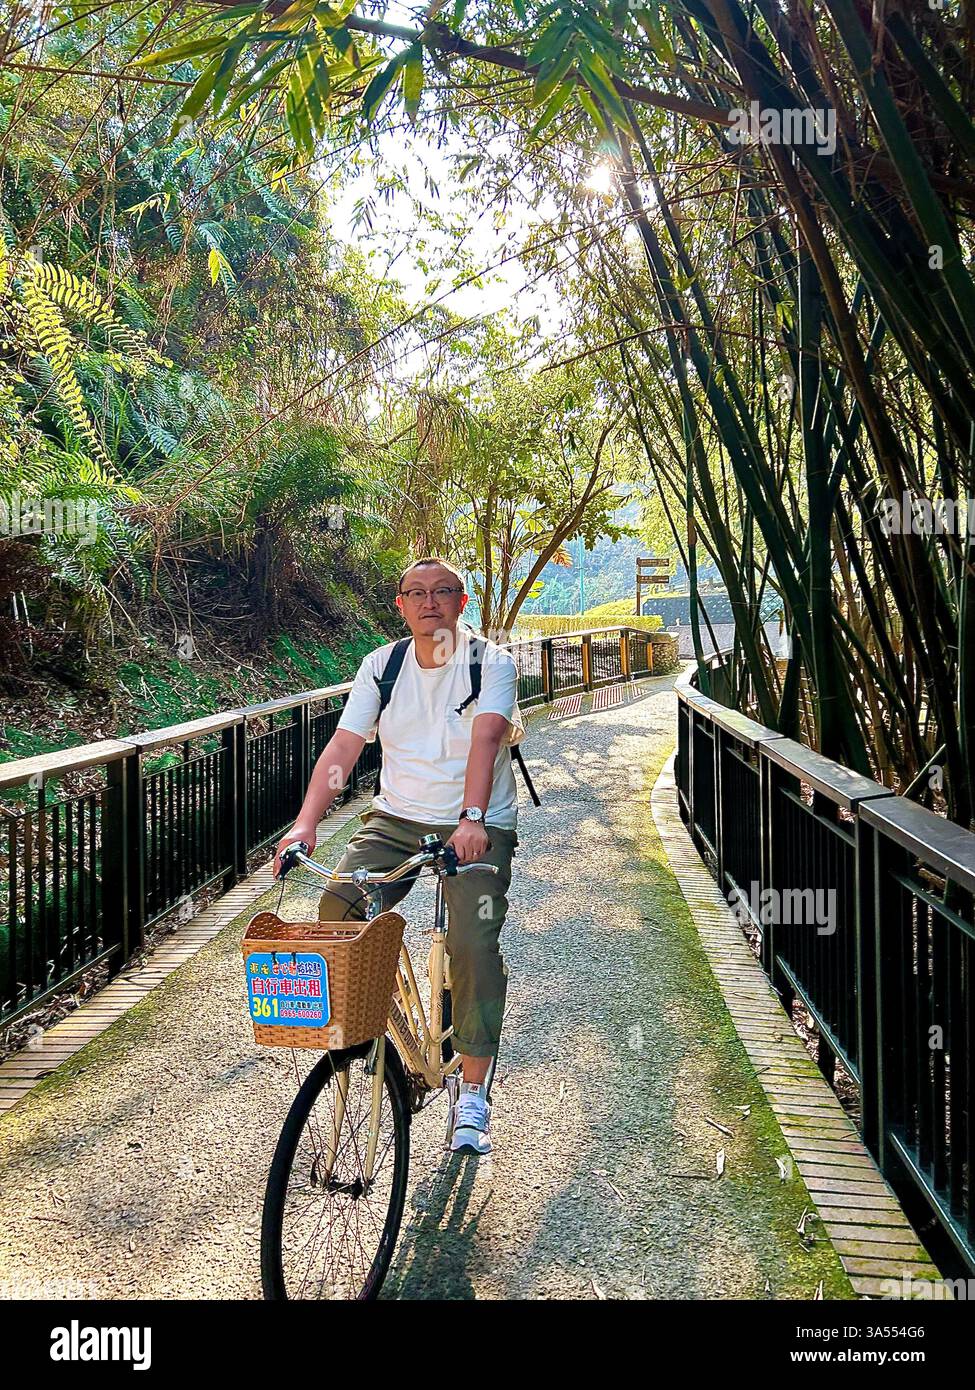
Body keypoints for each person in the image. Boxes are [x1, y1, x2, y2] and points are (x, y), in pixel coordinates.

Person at [273, 556, 524, 1154]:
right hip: (395, 817)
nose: (429, 601)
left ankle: (473, 1090)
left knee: (471, 942)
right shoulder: (381, 666)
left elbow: (487, 738)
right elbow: (345, 744)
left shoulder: (491, 662)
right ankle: (381, 1029)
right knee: (336, 910)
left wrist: (472, 818)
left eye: (442, 592)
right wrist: (305, 824)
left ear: (463, 603)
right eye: (416, 592)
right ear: (401, 605)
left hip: (476, 823)